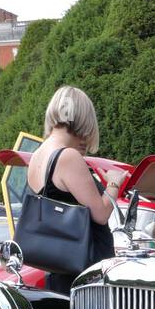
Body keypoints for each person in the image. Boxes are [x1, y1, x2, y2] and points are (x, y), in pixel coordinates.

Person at [24, 85, 120, 271]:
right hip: (87, 268)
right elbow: (100, 215)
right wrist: (114, 183)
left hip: (57, 262)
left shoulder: (37, 155)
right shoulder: (67, 156)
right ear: (83, 119)